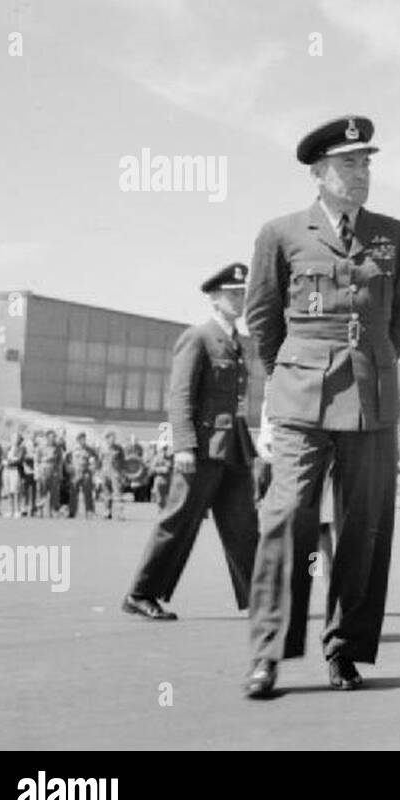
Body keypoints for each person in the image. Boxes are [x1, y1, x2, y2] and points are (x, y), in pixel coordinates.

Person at [242, 114, 400, 697]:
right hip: (300, 396)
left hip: (370, 397)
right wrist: (287, 375)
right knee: (285, 515)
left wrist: (375, 364)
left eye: (367, 163)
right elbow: (263, 320)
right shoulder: (281, 233)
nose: (362, 172)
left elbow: (399, 318)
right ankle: (268, 652)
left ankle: (345, 648)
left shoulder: (395, 234)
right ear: (318, 173)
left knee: (364, 527)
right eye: (349, 164)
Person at [122, 262, 261, 621]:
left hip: (234, 447)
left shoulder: (235, 343)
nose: (239, 300)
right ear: (214, 299)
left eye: (242, 294)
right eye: (232, 294)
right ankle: (141, 594)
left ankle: (262, 598)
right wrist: (183, 445)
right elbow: (180, 397)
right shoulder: (197, 338)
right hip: (201, 448)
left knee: (244, 524)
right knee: (178, 520)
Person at [67, 432, 98, 518]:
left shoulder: (90, 450)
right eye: (81, 439)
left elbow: (95, 459)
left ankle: (89, 512)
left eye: (84, 439)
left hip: (86, 474)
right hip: (75, 473)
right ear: (78, 440)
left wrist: (92, 468)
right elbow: (66, 459)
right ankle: (72, 512)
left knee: (88, 493)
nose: (83, 441)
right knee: (73, 493)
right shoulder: (72, 449)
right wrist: (69, 468)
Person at [98, 431, 126, 519]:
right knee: (106, 494)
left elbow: (123, 461)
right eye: (110, 438)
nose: (112, 440)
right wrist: (98, 474)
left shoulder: (119, 448)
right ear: (107, 439)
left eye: (114, 438)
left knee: (117, 494)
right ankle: (107, 512)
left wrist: (122, 473)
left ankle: (119, 513)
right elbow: (99, 461)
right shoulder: (102, 448)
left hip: (115, 473)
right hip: (105, 473)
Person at [35, 430, 63, 518]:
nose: (52, 439)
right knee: (42, 491)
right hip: (43, 470)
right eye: (51, 437)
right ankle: (40, 511)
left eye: (54, 437)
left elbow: (60, 462)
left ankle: (50, 512)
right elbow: (36, 461)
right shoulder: (41, 447)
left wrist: (60, 473)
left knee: (53, 493)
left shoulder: (58, 448)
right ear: (47, 438)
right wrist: (36, 473)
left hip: (54, 471)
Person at [3, 432, 27, 518]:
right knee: (9, 491)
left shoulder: (22, 448)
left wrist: (9, 461)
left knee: (16, 491)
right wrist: (9, 460)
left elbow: (19, 460)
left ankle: (17, 510)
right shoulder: (7, 448)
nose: (14, 440)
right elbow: (3, 458)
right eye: (13, 438)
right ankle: (10, 510)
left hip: (15, 471)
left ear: (19, 440)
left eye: (16, 438)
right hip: (6, 471)